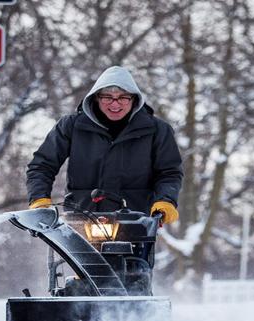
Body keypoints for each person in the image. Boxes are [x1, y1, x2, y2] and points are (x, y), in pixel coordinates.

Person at [27, 66, 182, 226]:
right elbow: (42, 166)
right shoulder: (71, 127)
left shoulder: (157, 130)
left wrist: (165, 201)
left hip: (135, 221)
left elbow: (169, 172)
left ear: (134, 99)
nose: (115, 104)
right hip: (81, 219)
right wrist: (39, 198)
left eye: (123, 97)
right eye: (107, 97)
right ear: (96, 98)